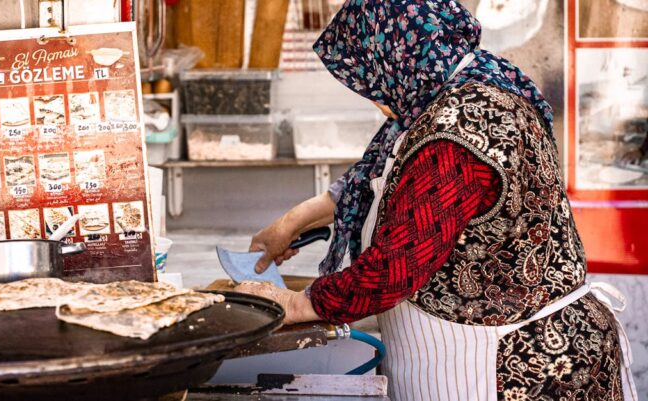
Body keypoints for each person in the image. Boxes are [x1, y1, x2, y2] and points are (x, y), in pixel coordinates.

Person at [235, 1, 638, 400]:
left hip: (511, 370)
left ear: (399, 58)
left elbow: (391, 270)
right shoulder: (473, 85)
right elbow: (383, 184)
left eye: (371, 75)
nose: (372, 94)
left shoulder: (457, 131)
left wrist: (295, 304)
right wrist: (293, 221)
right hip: (478, 354)